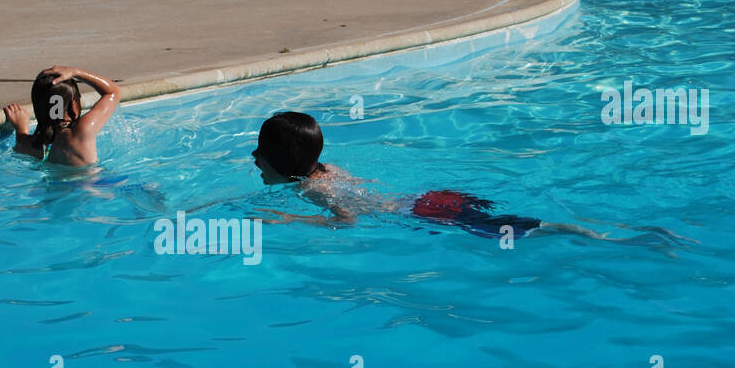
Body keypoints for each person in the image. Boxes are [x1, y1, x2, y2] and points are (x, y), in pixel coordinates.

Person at [251, 111, 610, 240]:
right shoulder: (329, 170)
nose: (254, 158)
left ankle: (595, 234)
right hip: (425, 198)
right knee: (503, 222)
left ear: (281, 161)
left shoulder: (313, 190)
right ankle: (585, 226)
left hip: (419, 213)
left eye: (260, 153)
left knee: (520, 229)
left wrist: (288, 218)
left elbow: (347, 222)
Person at [2, 65, 121, 167]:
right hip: (92, 187)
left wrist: (21, 129)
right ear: (73, 104)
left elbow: (20, 144)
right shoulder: (81, 132)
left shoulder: (31, 145)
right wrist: (76, 72)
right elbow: (113, 92)